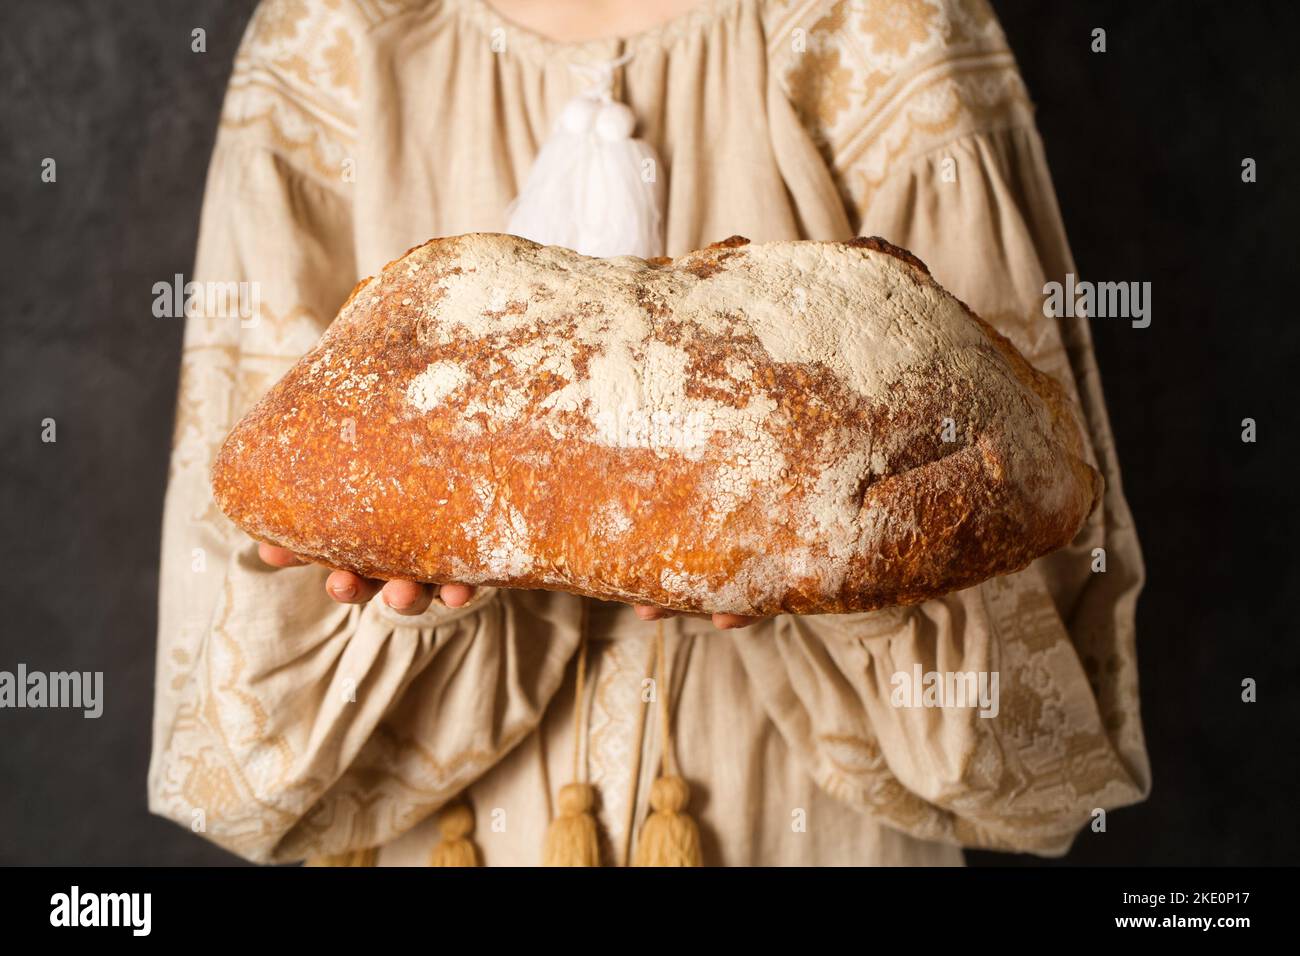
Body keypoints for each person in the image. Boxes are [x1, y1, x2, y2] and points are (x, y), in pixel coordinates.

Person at [150, 0, 1150, 865]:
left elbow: (1048, 725)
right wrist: (396, 571)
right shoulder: (330, 38)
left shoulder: (881, 28)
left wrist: (851, 565)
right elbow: (229, 734)